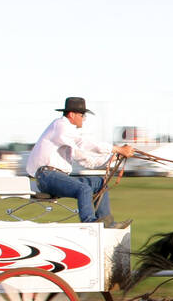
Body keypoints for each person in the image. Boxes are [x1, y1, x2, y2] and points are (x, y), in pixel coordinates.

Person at [25, 96, 135, 225]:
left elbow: (86, 160)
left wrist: (115, 158)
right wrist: (116, 149)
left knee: (101, 184)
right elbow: (84, 143)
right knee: (84, 189)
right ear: (72, 114)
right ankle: (90, 223)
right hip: (47, 177)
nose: (84, 118)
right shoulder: (60, 126)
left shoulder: (67, 136)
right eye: (82, 115)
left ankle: (108, 224)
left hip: (56, 176)